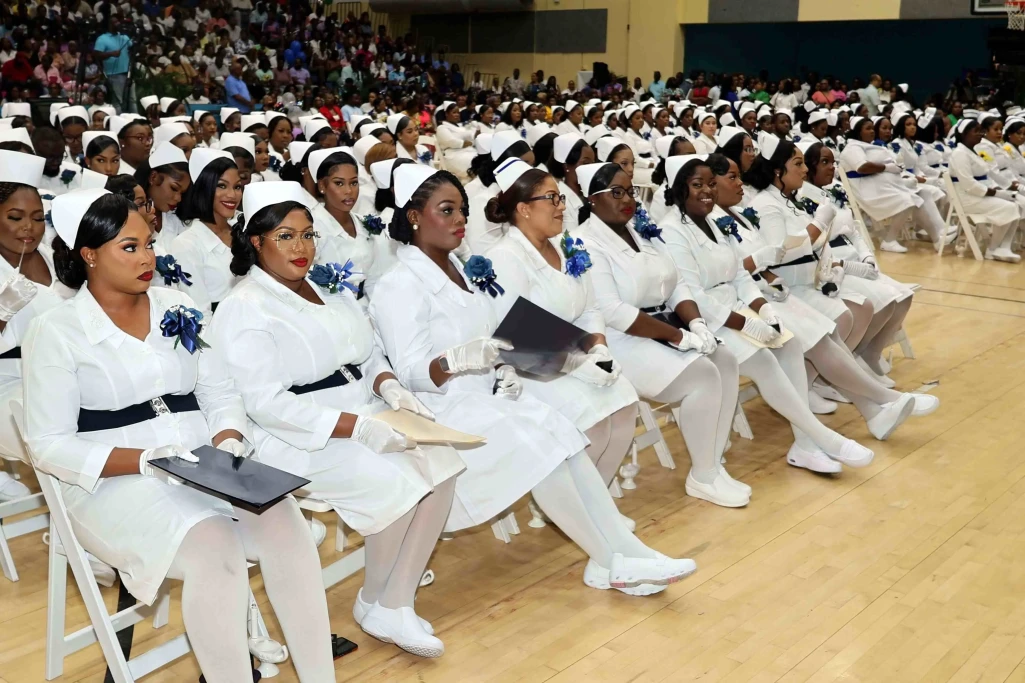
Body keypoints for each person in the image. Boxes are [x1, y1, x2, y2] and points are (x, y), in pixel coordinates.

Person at [26, 188, 335, 681]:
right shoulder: (56, 330)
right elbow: (47, 444)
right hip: (110, 481)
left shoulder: (177, 304)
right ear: (88, 255)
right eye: (129, 248)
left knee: (285, 522)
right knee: (215, 547)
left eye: (149, 243)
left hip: (200, 462)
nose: (147, 257)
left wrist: (229, 437)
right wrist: (142, 460)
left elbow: (219, 390)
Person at [371, 165, 698, 595]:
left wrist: (501, 369)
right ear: (414, 216)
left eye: (462, 210)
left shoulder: (464, 270)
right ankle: (610, 559)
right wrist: (457, 359)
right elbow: (412, 372)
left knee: (565, 437)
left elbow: (495, 334)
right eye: (446, 210)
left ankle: (625, 551)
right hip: (442, 409)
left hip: (486, 396)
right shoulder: (398, 285)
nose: (459, 220)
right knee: (541, 449)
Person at [209, 182, 463, 658]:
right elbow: (265, 403)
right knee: (396, 482)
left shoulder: (328, 286)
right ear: (256, 241)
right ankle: (383, 600)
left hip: (363, 409)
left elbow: (366, 354)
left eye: (307, 235)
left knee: (443, 464)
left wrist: (389, 385)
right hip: (298, 434)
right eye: (285, 237)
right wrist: (358, 428)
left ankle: (390, 599)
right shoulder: (245, 307)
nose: (301, 247)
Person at [660, 154, 884, 475]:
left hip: (735, 309)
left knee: (788, 343)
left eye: (711, 184)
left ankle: (806, 444)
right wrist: (747, 321)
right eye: (697, 185)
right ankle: (821, 439)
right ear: (679, 189)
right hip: (704, 321)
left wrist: (764, 311)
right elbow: (692, 296)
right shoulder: (671, 232)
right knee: (765, 360)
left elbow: (738, 275)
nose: (708, 191)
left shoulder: (711, 221)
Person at [570, 161, 749, 504]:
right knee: (703, 377)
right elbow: (611, 310)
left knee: (724, 359)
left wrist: (696, 323)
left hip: (666, 325)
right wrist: (679, 337)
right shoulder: (585, 242)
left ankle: (711, 461)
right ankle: (704, 475)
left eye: (630, 191)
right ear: (592, 199)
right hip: (621, 340)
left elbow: (677, 284)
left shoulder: (640, 229)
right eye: (616, 192)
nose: (628, 200)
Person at [745, 139, 932, 435]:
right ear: (778, 171)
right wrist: (818, 225)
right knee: (831, 329)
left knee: (840, 323)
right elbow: (778, 252)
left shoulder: (787, 199)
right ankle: (880, 402)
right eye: (798, 163)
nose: (805, 169)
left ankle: (870, 409)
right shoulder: (767, 205)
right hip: (787, 289)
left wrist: (833, 266)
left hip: (807, 281)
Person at [482, 160, 639, 490]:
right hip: (531, 369)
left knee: (625, 401)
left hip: (575, 356)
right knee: (594, 422)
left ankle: (597, 498)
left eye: (561, 198)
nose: (561, 206)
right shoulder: (506, 256)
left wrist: (598, 348)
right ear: (524, 209)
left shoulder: (567, 245)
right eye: (551, 199)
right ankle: (579, 505)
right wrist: (580, 366)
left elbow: (589, 307)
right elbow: (515, 334)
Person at [0, 150, 73, 502]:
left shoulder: (49, 254)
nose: (29, 227)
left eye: (38, 217)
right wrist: (3, 311)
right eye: (16, 217)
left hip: (64, 374)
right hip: (9, 386)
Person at [838, 117, 946, 254]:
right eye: (868, 128)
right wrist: (887, 167)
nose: (872, 131)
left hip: (881, 186)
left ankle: (938, 237)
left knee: (920, 194)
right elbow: (862, 167)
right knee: (908, 200)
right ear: (858, 131)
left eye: (872, 128)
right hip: (866, 190)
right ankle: (889, 241)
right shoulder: (852, 148)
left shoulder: (869, 145)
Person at [309, 147, 396, 295]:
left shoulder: (364, 223)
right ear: (322, 186)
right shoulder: (312, 229)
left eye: (354, 183)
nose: (349, 191)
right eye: (339, 183)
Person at [171, 149, 243, 316]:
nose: (232, 195)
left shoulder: (245, 229)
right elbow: (198, 315)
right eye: (221, 186)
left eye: (237, 187)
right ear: (204, 188)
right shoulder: (186, 245)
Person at [948, 119, 1022, 263]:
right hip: (967, 198)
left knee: (1016, 203)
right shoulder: (959, 154)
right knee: (1009, 207)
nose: (980, 134)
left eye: (981, 130)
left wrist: (999, 189)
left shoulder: (972, 152)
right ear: (964, 133)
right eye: (976, 131)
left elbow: (986, 176)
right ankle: (993, 248)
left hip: (978, 194)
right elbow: (969, 184)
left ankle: (1004, 247)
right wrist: (996, 193)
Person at [135, 143, 191, 251]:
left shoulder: (177, 221)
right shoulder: (128, 217)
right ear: (153, 177)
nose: (178, 198)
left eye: (182, 193)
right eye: (174, 188)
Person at [93, 16, 134, 113]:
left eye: (118, 22)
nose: (118, 24)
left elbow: (133, 49)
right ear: (110, 25)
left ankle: (135, 120)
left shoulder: (124, 37)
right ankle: (119, 123)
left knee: (132, 100)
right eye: (115, 22)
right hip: (114, 74)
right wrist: (111, 53)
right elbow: (96, 55)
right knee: (118, 101)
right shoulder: (102, 39)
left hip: (128, 73)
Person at [434, 101, 475, 180]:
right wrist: (464, 143)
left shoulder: (460, 127)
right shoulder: (442, 127)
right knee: (474, 164)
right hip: (452, 155)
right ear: (446, 114)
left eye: (458, 113)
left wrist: (469, 142)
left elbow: (471, 137)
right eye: (454, 112)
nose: (457, 115)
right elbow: (451, 141)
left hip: (466, 152)